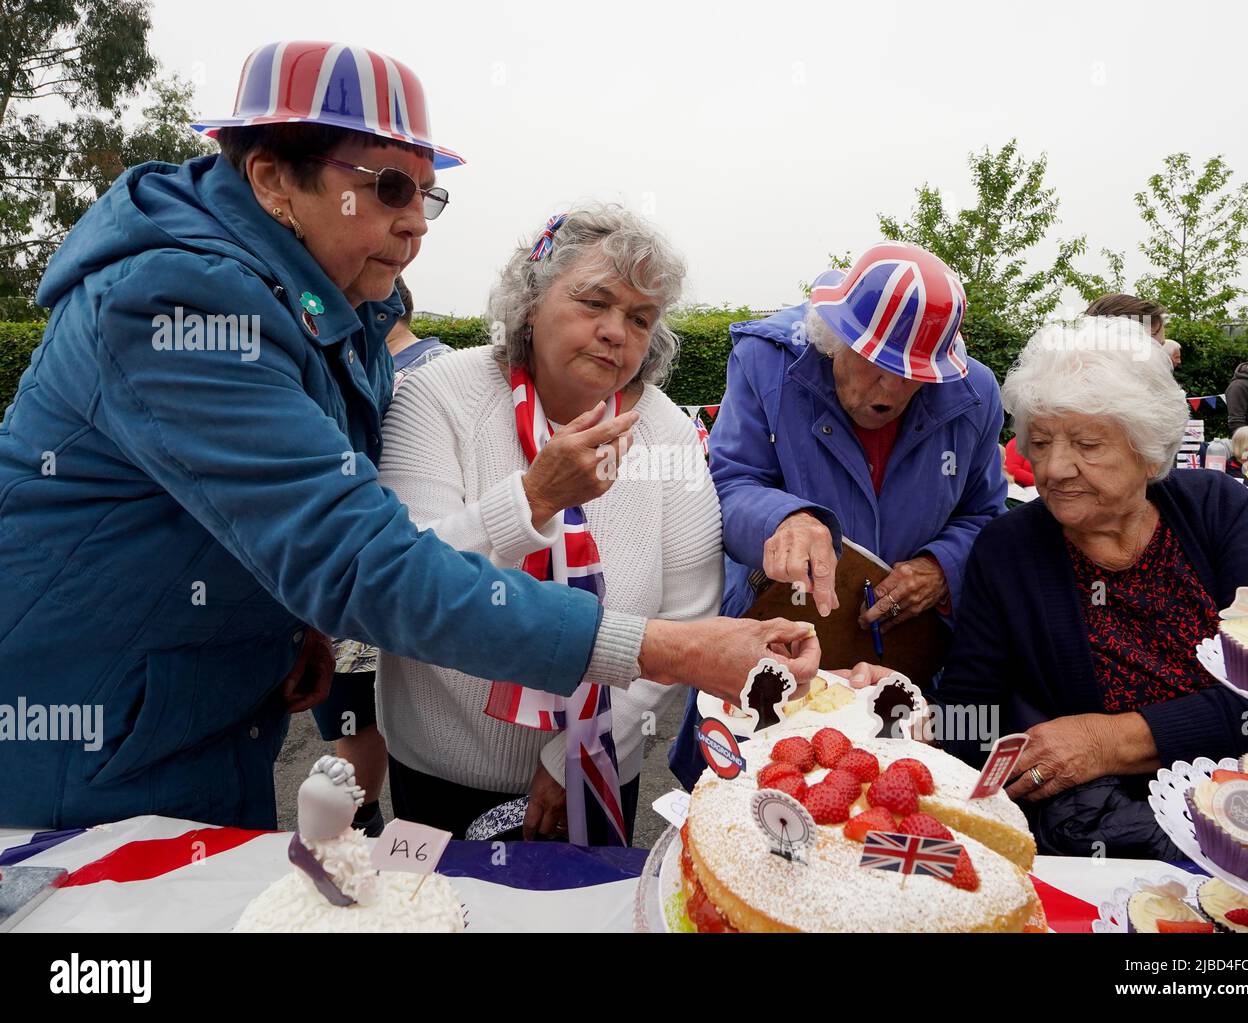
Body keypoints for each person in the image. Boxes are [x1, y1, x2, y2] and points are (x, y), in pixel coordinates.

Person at [0, 41, 819, 831]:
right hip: (89, 749)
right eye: (389, 187)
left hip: (196, 720)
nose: (416, 224)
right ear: (272, 179)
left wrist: (294, 625)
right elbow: (372, 562)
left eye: (425, 194)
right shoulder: (185, 303)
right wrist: (667, 650)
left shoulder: (327, 310)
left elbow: (276, 513)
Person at [376, 206, 721, 842]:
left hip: (595, 766)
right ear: (530, 304)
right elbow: (401, 584)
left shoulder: (669, 433)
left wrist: (579, 755)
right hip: (439, 772)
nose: (616, 331)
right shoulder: (437, 396)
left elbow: (689, 615)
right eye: (595, 302)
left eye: (640, 318)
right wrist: (534, 498)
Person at [907, 317, 1248, 858]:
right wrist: (903, 714)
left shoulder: (1215, 508)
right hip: (1110, 834)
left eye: (1088, 444)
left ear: (1148, 450)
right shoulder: (1008, 548)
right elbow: (974, 707)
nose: (1055, 467)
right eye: (1039, 442)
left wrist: (1113, 740)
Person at [670, 242, 1007, 787]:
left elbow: (985, 515)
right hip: (775, 627)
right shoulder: (767, 360)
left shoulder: (973, 394)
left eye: (912, 373)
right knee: (738, 798)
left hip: (899, 655)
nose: (892, 389)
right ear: (834, 339)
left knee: (880, 806)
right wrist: (785, 519)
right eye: (876, 365)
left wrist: (942, 566)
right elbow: (729, 485)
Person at [310, 275, 447, 837]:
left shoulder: (424, 374)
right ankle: (363, 823)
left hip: (382, 562)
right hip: (377, 565)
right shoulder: (374, 368)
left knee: (363, 716)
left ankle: (359, 826)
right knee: (365, 715)